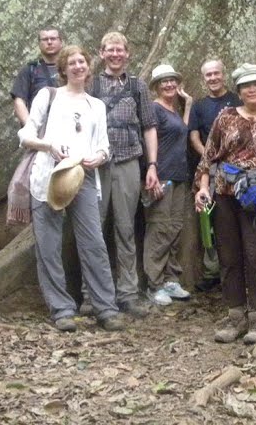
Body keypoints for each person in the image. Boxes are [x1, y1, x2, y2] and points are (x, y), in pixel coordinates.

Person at [18, 45, 126, 332]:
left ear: (88, 69)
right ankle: (62, 309)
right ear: (63, 69)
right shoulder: (48, 96)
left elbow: (104, 145)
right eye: (72, 62)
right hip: (48, 176)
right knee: (48, 245)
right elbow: (26, 134)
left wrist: (99, 157)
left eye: (82, 62)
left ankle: (106, 308)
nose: (78, 66)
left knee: (94, 242)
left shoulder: (96, 105)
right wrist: (49, 145)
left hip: (84, 176)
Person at [194, 64, 256, 345]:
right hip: (224, 192)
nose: (252, 89)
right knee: (229, 254)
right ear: (239, 91)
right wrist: (202, 188)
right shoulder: (225, 118)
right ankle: (235, 314)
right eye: (246, 86)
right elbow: (208, 156)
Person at [87, 32, 159, 318]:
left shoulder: (138, 86)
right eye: (110, 50)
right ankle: (91, 293)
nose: (115, 54)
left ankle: (127, 293)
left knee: (125, 228)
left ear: (128, 54)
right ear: (101, 53)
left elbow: (149, 126)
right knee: (93, 228)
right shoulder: (92, 84)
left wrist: (152, 165)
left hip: (129, 161)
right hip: (95, 164)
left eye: (120, 50)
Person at [143, 63, 195, 306]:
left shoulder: (173, 111)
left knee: (174, 230)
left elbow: (182, 131)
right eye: (163, 81)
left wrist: (189, 105)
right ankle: (153, 284)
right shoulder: (154, 109)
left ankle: (170, 279)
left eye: (172, 80)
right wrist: (151, 170)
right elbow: (149, 140)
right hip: (162, 176)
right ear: (156, 86)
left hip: (180, 176)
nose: (169, 84)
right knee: (159, 230)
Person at [188, 58, 241, 291]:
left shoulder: (236, 100)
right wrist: (210, 156)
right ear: (204, 78)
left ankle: (239, 268)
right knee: (208, 216)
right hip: (209, 167)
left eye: (216, 73)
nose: (213, 78)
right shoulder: (200, 106)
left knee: (236, 214)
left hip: (235, 167)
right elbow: (194, 137)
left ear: (223, 74)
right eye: (208, 75)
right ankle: (212, 270)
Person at [11, 27, 64, 125]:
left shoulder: (71, 67)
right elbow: (19, 102)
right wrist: (31, 127)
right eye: (44, 39)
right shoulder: (30, 70)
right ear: (39, 44)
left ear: (61, 42)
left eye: (53, 38)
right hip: (40, 127)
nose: (49, 42)